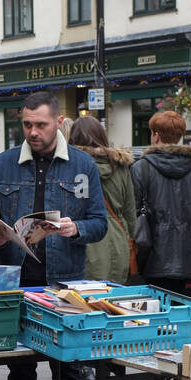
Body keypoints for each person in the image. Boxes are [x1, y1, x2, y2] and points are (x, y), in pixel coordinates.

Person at [0, 91, 106, 380]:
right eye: (27, 125)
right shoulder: (3, 164)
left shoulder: (83, 165)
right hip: (17, 283)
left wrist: (75, 228)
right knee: (19, 368)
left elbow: (101, 223)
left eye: (41, 125)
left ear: (59, 122)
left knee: (69, 367)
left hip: (64, 284)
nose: (33, 132)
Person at [132, 109, 191, 380]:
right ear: (180, 136)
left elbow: (134, 214)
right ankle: (179, 374)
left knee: (156, 315)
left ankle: (160, 369)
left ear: (155, 135)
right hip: (189, 256)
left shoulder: (141, 168)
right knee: (182, 318)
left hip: (152, 253)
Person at [68, 117, 136, 286]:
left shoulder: (74, 166)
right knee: (114, 304)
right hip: (118, 242)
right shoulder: (121, 165)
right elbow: (130, 212)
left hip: (85, 241)